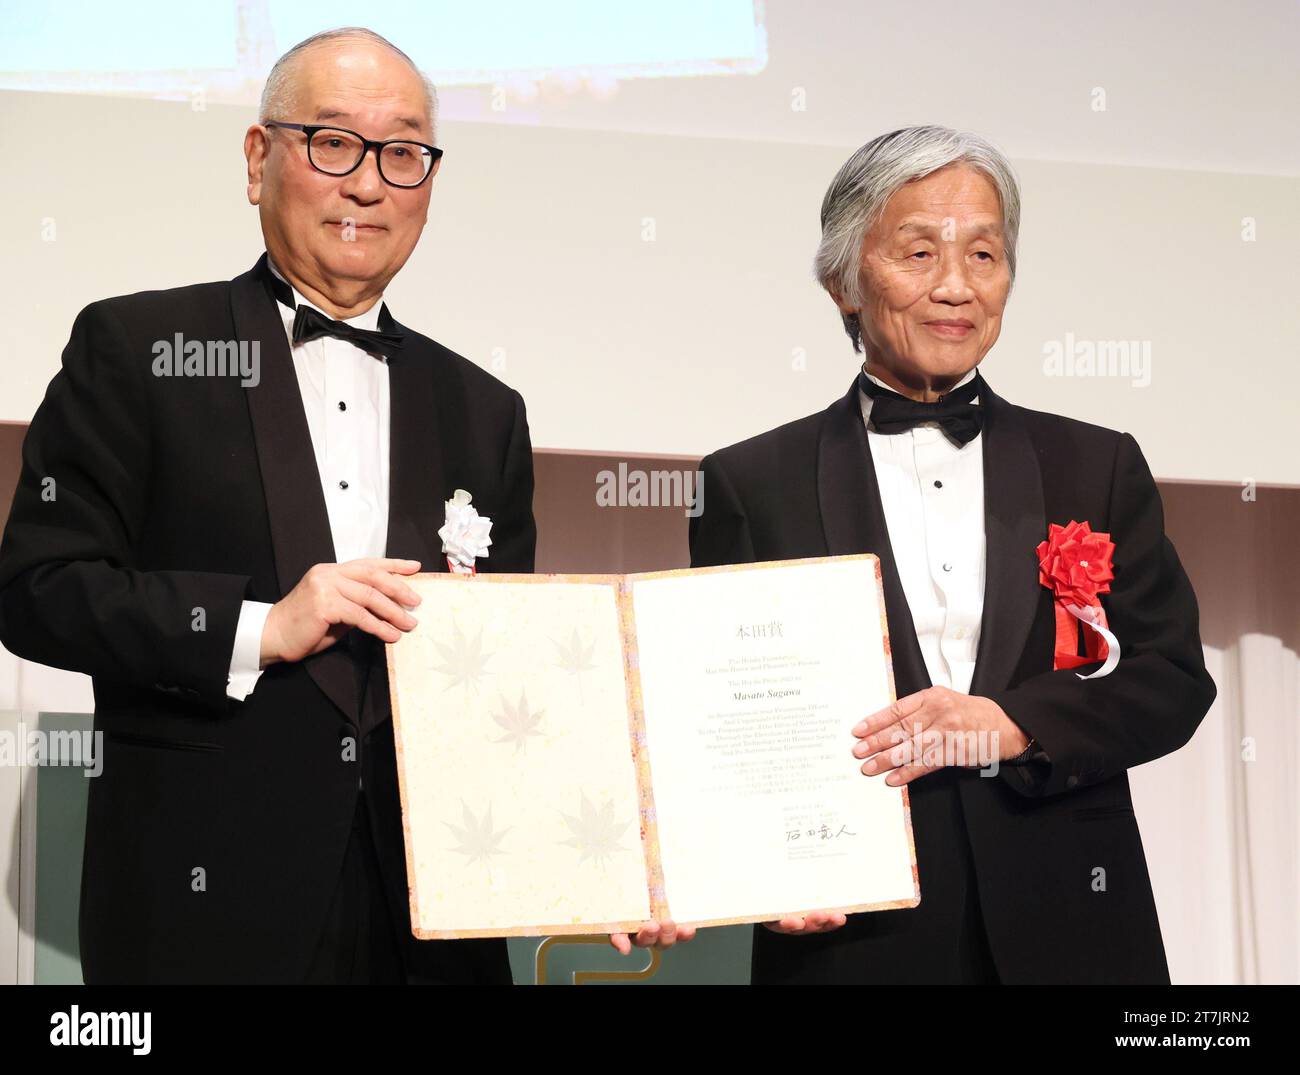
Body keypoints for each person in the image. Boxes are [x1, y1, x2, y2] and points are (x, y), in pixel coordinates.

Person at [0, 27, 535, 984]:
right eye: (333, 143)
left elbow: (505, 679)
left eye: (404, 153)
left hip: (430, 928)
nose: (368, 184)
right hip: (203, 918)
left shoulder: (484, 411)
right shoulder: (138, 346)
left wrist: (606, 864)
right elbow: (38, 588)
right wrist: (257, 627)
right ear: (258, 159)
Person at [687, 125, 1216, 984]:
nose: (956, 286)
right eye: (919, 252)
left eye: (983, 254)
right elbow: (724, 714)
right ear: (843, 280)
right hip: (857, 938)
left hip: (1074, 927)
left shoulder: (1095, 463)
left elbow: (1169, 679)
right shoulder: (750, 481)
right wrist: (764, 869)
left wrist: (1012, 724)